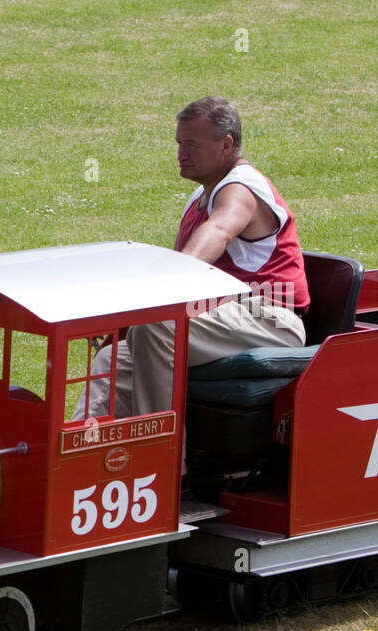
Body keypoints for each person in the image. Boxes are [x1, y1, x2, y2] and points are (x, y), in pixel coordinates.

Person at [74, 97, 309, 422]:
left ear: (226, 145)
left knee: (155, 326)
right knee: (113, 356)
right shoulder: (201, 197)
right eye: (179, 144)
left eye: (192, 145)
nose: (181, 154)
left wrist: (165, 293)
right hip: (221, 318)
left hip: (269, 320)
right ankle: (84, 455)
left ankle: (163, 456)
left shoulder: (241, 188)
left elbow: (221, 230)